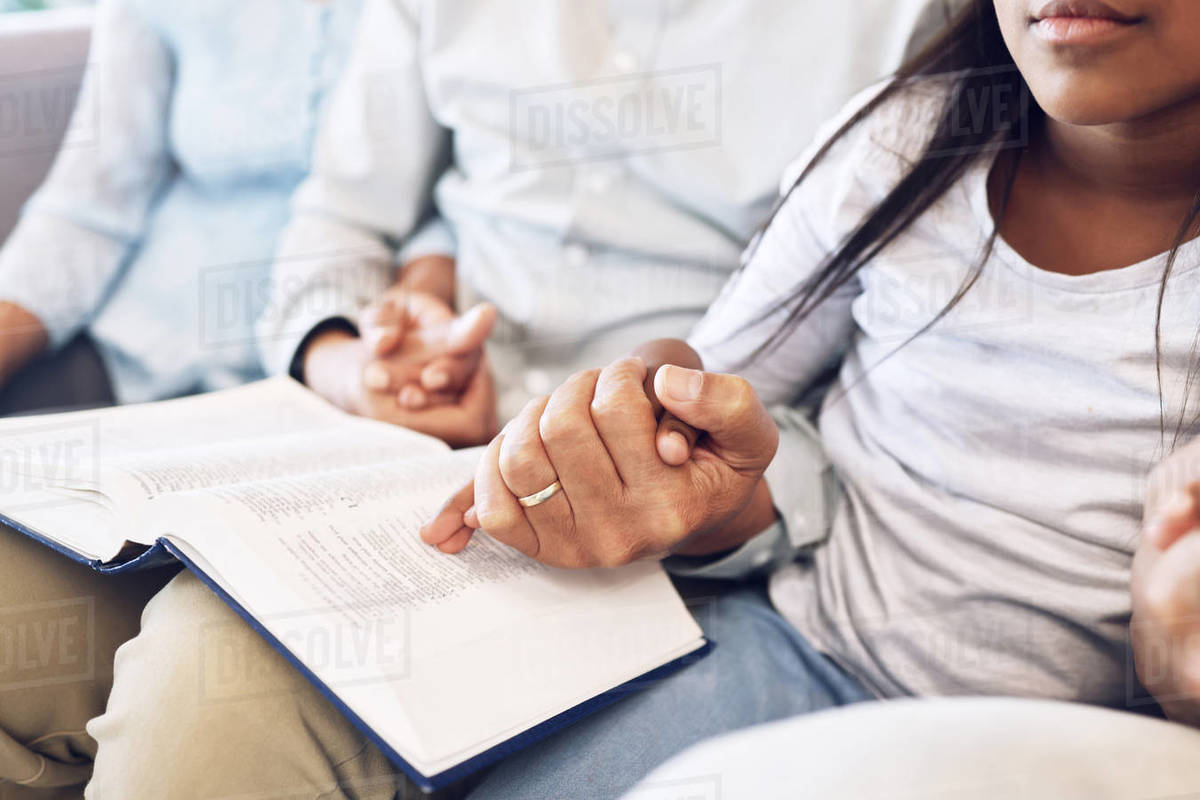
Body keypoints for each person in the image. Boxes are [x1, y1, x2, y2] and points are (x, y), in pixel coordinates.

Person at [414, 0, 1200, 796]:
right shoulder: (904, 139)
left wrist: (1177, 675)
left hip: (1072, 753)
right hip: (790, 652)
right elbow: (713, 376)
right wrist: (634, 410)